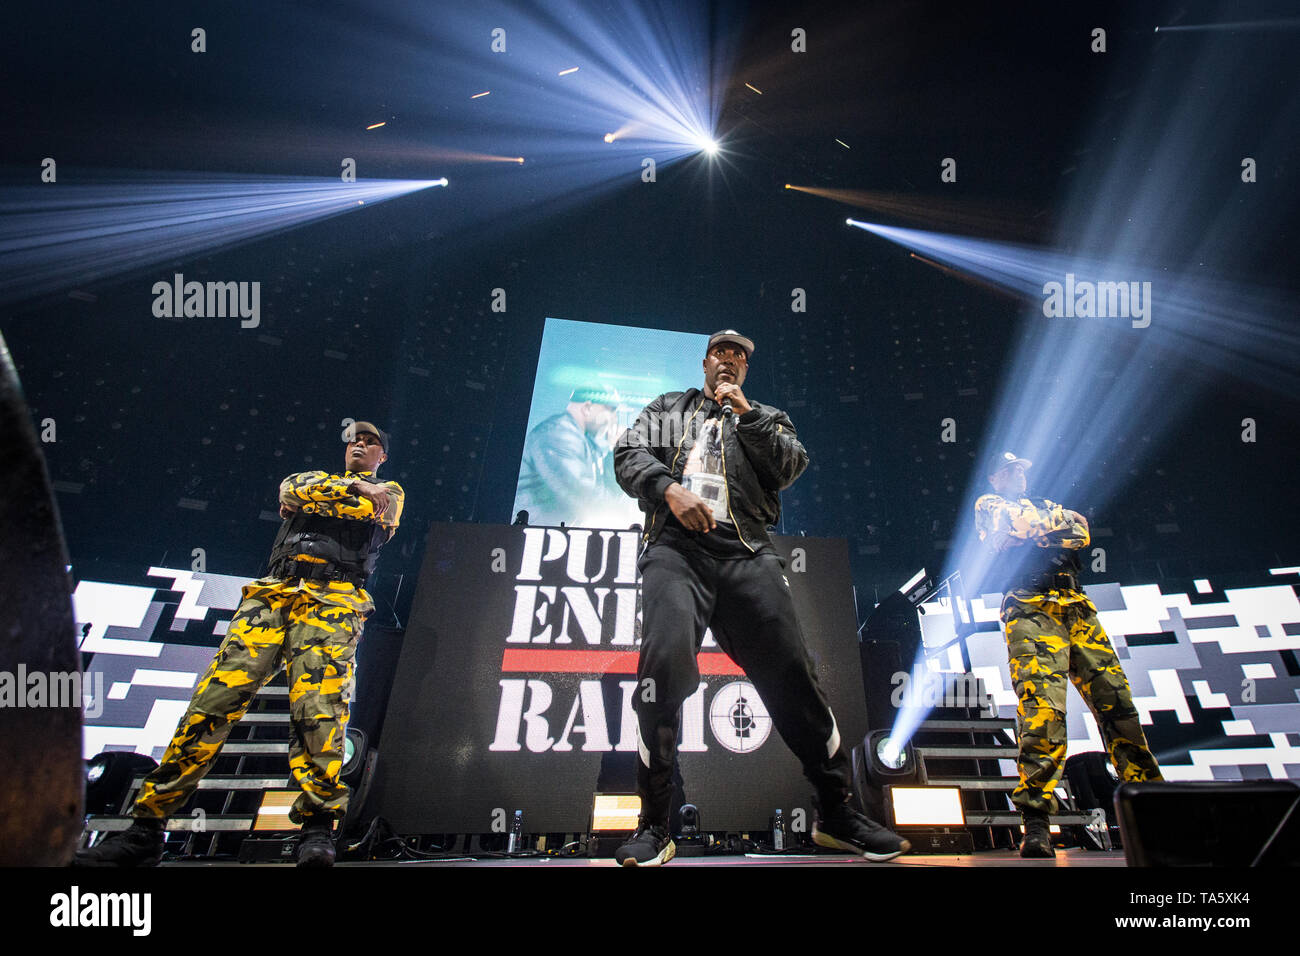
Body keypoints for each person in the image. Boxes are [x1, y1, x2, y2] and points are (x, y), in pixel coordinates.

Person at [611, 329, 910, 866]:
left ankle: (837, 815)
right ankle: (655, 824)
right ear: (704, 363)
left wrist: (747, 415)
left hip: (747, 550)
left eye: (739, 357)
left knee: (794, 672)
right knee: (663, 667)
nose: (729, 361)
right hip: (676, 549)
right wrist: (669, 490)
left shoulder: (766, 416)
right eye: (721, 354)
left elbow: (788, 467)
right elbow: (627, 453)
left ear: (745, 371)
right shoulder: (667, 408)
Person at [74, 421, 405, 867]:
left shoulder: (392, 492)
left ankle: (316, 828)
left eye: (371, 444)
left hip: (334, 602)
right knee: (210, 705)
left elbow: (365, 512)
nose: (360, 446)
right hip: (270, 598)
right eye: (355, 441)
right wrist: (345, 493)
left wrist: (354, 496)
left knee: (319, 712)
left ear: (383, 457)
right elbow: (291, 488)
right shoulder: (314, 480)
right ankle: (147, 828)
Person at [975, 451, 1162, 857]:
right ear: (994, 478)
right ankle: (1037, 822)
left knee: (1119, 706)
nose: (1018, 475)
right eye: (1009, 470)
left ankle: (1153, 807)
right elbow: (1021, 524)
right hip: (1030, 606)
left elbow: (1082, 532)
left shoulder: (1048, 506)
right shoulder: (989, 504)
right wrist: (1049, 526)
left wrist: (1040, 528)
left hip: (1077, 604)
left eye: (1021, 469)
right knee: (1043, 712)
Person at [514, 387, 624, 527]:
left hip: (554, 535)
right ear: (587, 408)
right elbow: (586, 498)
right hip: (535, 537)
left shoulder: (584, 442)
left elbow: (601, 491)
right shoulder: (558, 435)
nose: (614, 419)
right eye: (611, 410)